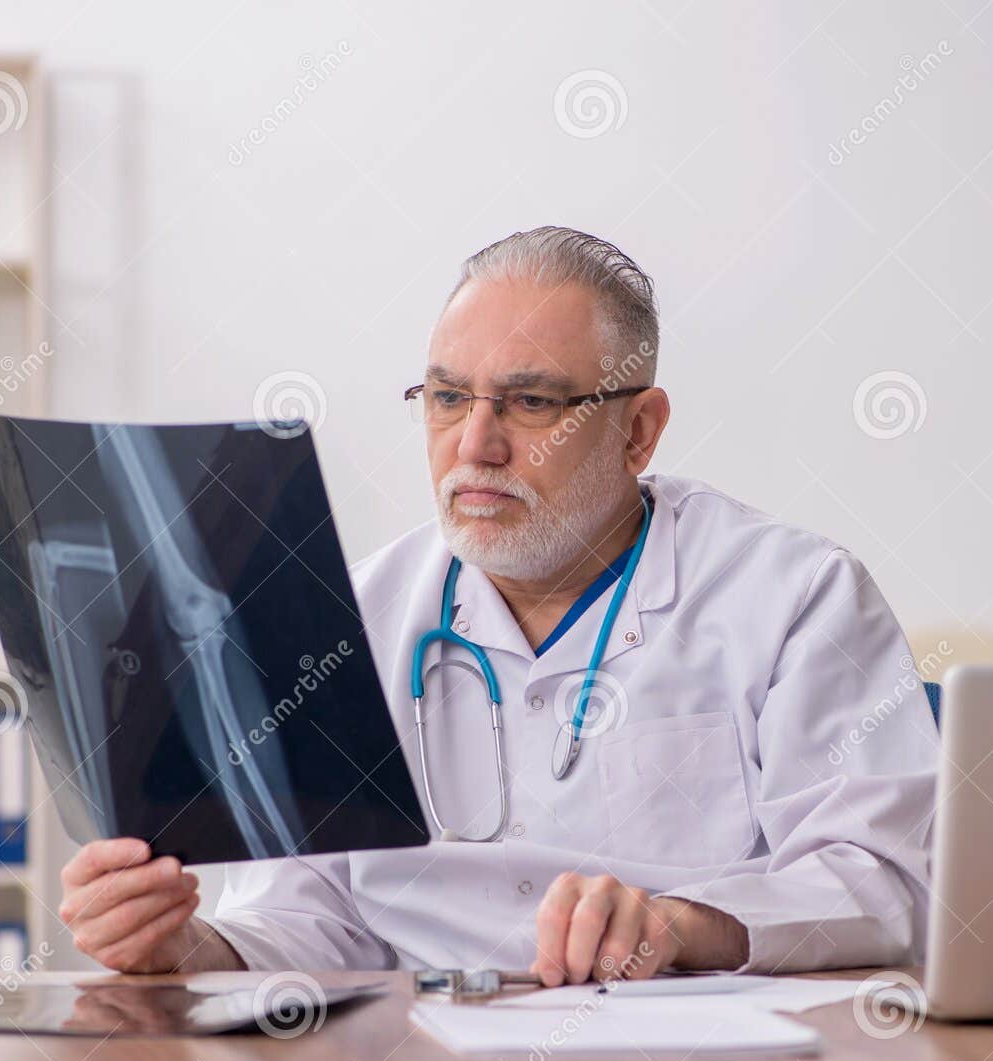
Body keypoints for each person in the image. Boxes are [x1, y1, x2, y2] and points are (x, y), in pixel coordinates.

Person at [57, 226, 939, 986]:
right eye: (447, 398)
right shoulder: (348, 615)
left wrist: (680, 924)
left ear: (638, 430)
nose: (474, 445)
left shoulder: (794, 596)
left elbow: (884, 882)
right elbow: (307, 918)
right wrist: (188, 947)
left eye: (530, 402)